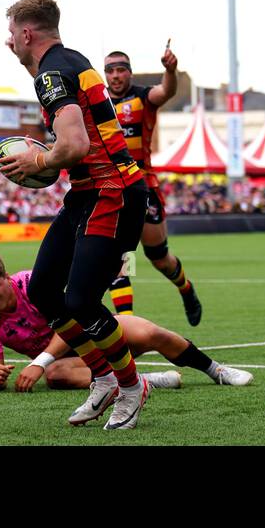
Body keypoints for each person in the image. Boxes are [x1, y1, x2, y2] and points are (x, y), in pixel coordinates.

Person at [0, 0, 150, 430]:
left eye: (12, 33)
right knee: (44, 290)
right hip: (89, 193)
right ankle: (102, 376)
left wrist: (39, 162)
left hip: (113, 192)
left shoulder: (51, 73)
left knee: (81, 301)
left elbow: (75, 146)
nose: (9, 41)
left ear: (27, 34)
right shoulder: (70, 61)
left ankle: (130, 385)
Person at [0, 252, 251, 398]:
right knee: (56, 376)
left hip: (89, 331)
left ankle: (217, 370)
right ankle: (143, 381)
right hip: (68, 363)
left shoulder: (33, 283)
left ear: (6, 278)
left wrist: (38, 361)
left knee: (151, 333)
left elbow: (73, 319)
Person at [103, 45, 203, 326]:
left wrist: (170, 70)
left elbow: (167, 91)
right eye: (110, 70)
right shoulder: (98, 102)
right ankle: (128, 326)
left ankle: (186, 289)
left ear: (129, 72)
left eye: (121, 69)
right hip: (113, 189)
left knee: (159, 258)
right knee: (120, 259)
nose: (115, 75)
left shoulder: (143, 96)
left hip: (143, 187)